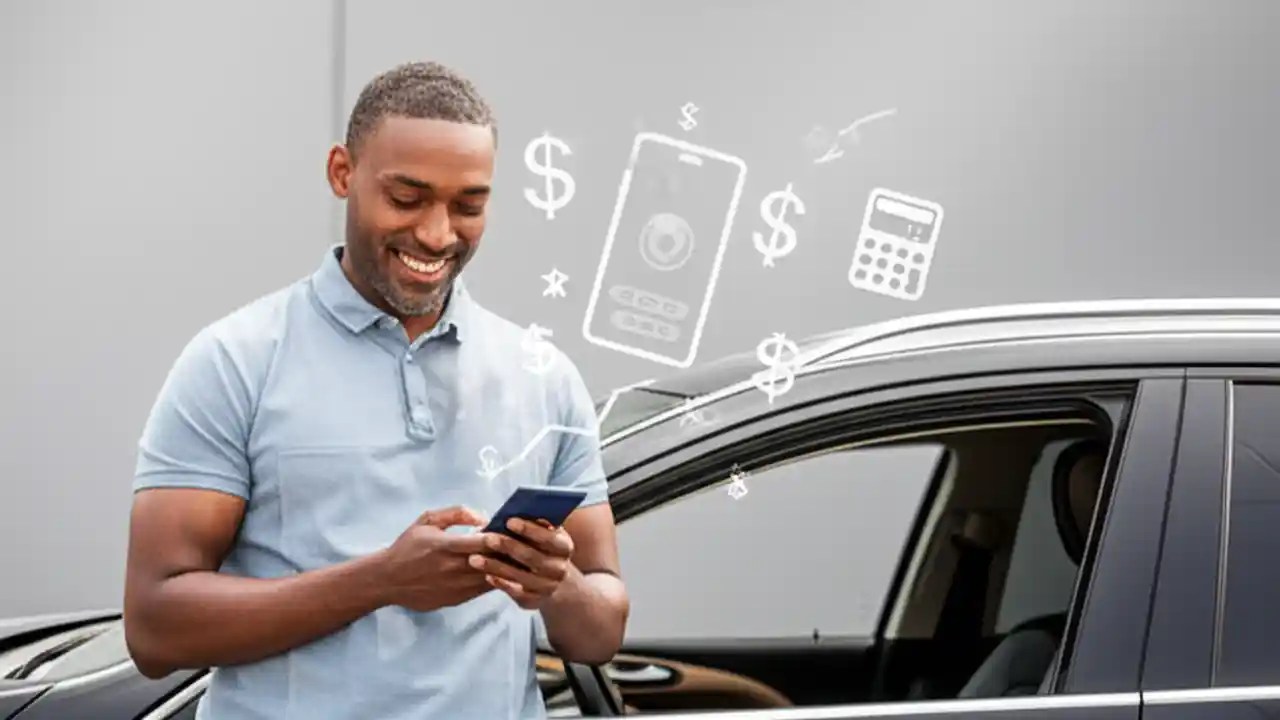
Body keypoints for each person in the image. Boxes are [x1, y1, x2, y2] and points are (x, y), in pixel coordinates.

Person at [122, 60, 629, 719]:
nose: (437, 233)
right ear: (342, 173)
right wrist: (383, 581)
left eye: (468, 205)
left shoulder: (544, 376)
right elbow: (155, 632)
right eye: (407, 197)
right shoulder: (235, 362)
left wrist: (554, 584)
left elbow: (600, 630)